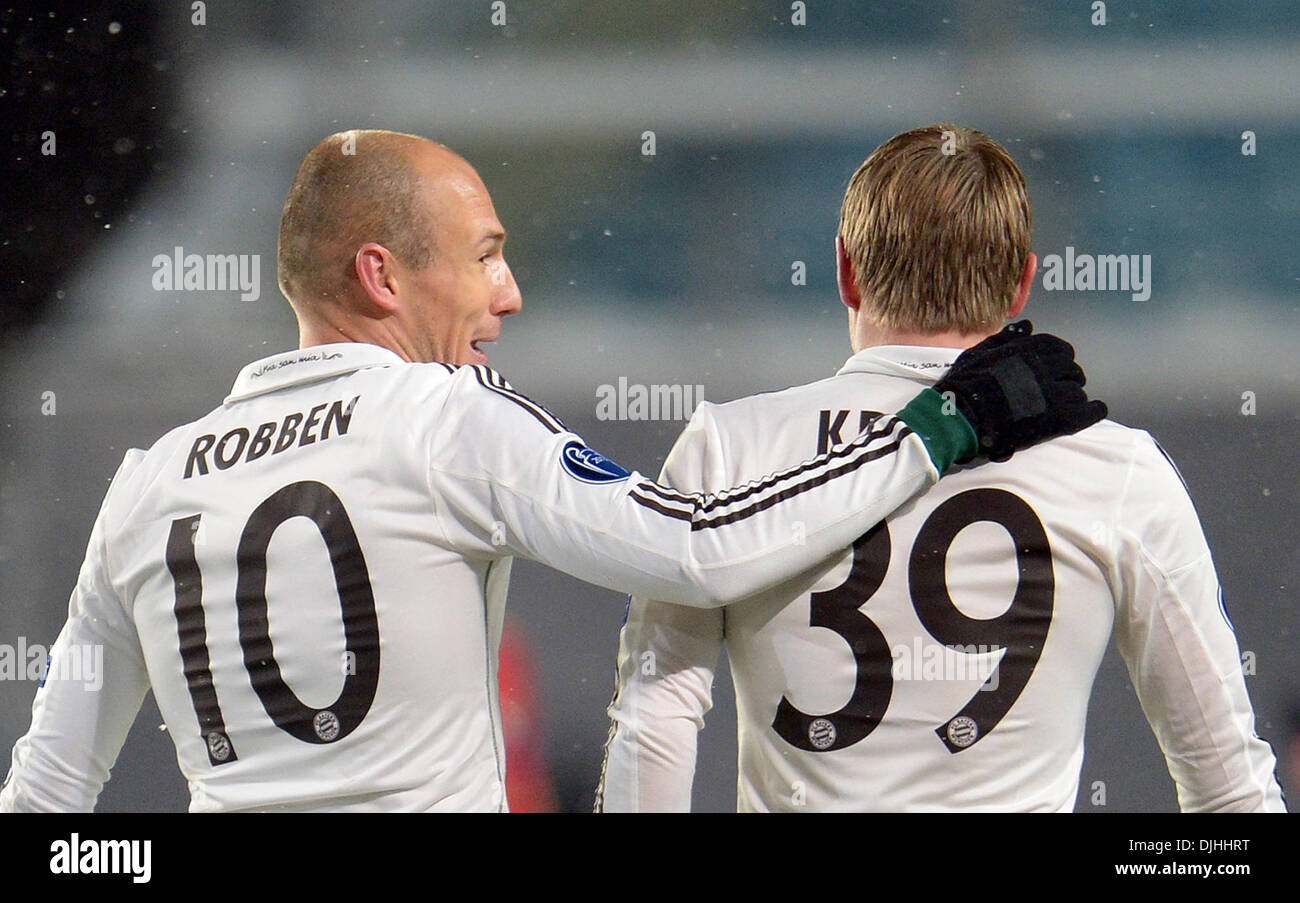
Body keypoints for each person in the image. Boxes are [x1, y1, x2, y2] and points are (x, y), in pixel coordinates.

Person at [0, 130, 1103, 813]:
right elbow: (700, 546)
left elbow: (51, 791)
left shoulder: (146, 483)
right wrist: (943, 425)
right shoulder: (440, 419)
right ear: (380, 274)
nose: (509, 291)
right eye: (483, 253)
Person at [597, 123, 1285, 813]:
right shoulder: (1117, 471)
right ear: (1022, 285)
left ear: (845, 270)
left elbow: (653, 721)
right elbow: (1230, 792)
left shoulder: (729, 445)